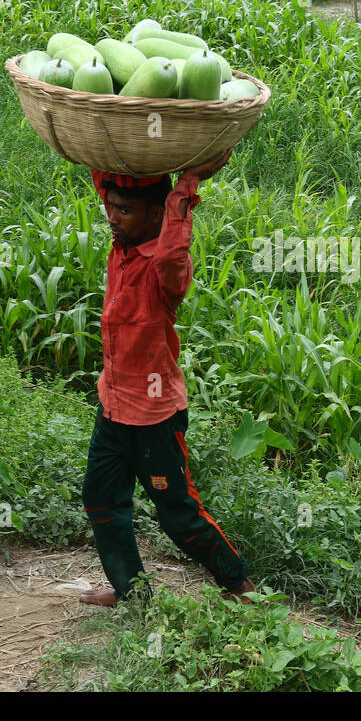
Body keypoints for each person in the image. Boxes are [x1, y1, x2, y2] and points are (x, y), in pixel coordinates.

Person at [77, 148, 255, 607]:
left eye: (124, 211)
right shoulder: (124, 244)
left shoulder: (165, 269)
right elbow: (106, 178)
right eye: (111, 208)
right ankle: (131, 593)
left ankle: (238, 585)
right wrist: (101, 133)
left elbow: (174, 241)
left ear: (157, 214)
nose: (112, 218)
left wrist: (188, 183)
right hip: (113, 407)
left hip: (155, 418)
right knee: (101, 500)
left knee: (176, 513)